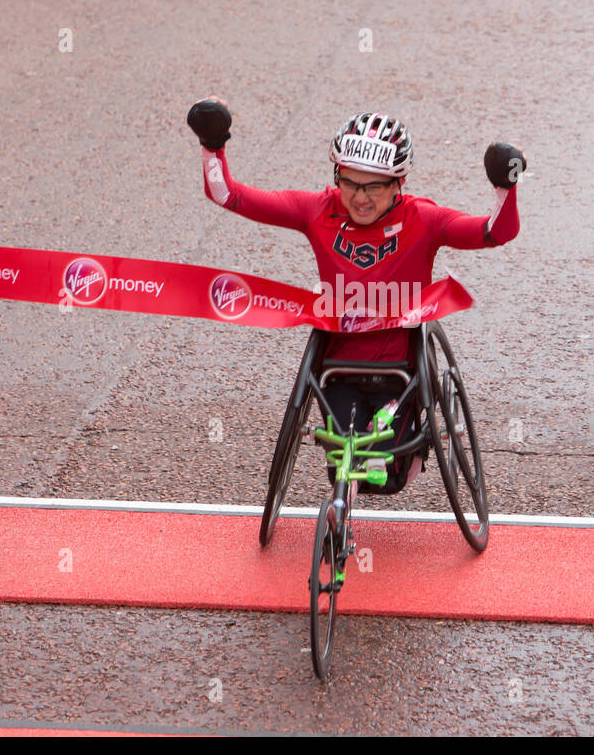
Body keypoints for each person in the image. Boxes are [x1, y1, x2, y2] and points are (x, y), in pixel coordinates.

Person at [188, 98, 523, 491]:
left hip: (402, 374)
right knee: (345, 463)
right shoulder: (316, 209)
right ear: (336, 174)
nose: (360, 197)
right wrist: (213, 144)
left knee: (383, 474)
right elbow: (229, 195)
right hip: (338, 367)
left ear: (399, 183)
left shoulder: (424, 219)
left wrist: (505, 187)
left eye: (375, 186)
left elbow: (493, 233)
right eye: (348, 181)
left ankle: (411, 453)